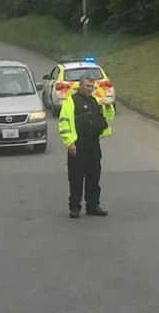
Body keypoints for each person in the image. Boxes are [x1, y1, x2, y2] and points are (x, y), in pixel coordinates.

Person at [58, 73, 115, 218]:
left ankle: (93, 205)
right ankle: (75, 207)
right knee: (76, 178)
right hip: (78, 144)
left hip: (93, 144)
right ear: (80, 86)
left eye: (92, 86)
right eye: (87, 86)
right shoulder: (70, 101)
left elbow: (108, 119)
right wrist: (69, 142)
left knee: (94, 176)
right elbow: (63, 122)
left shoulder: (95, 101)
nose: (90, 89)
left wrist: (108, 107)